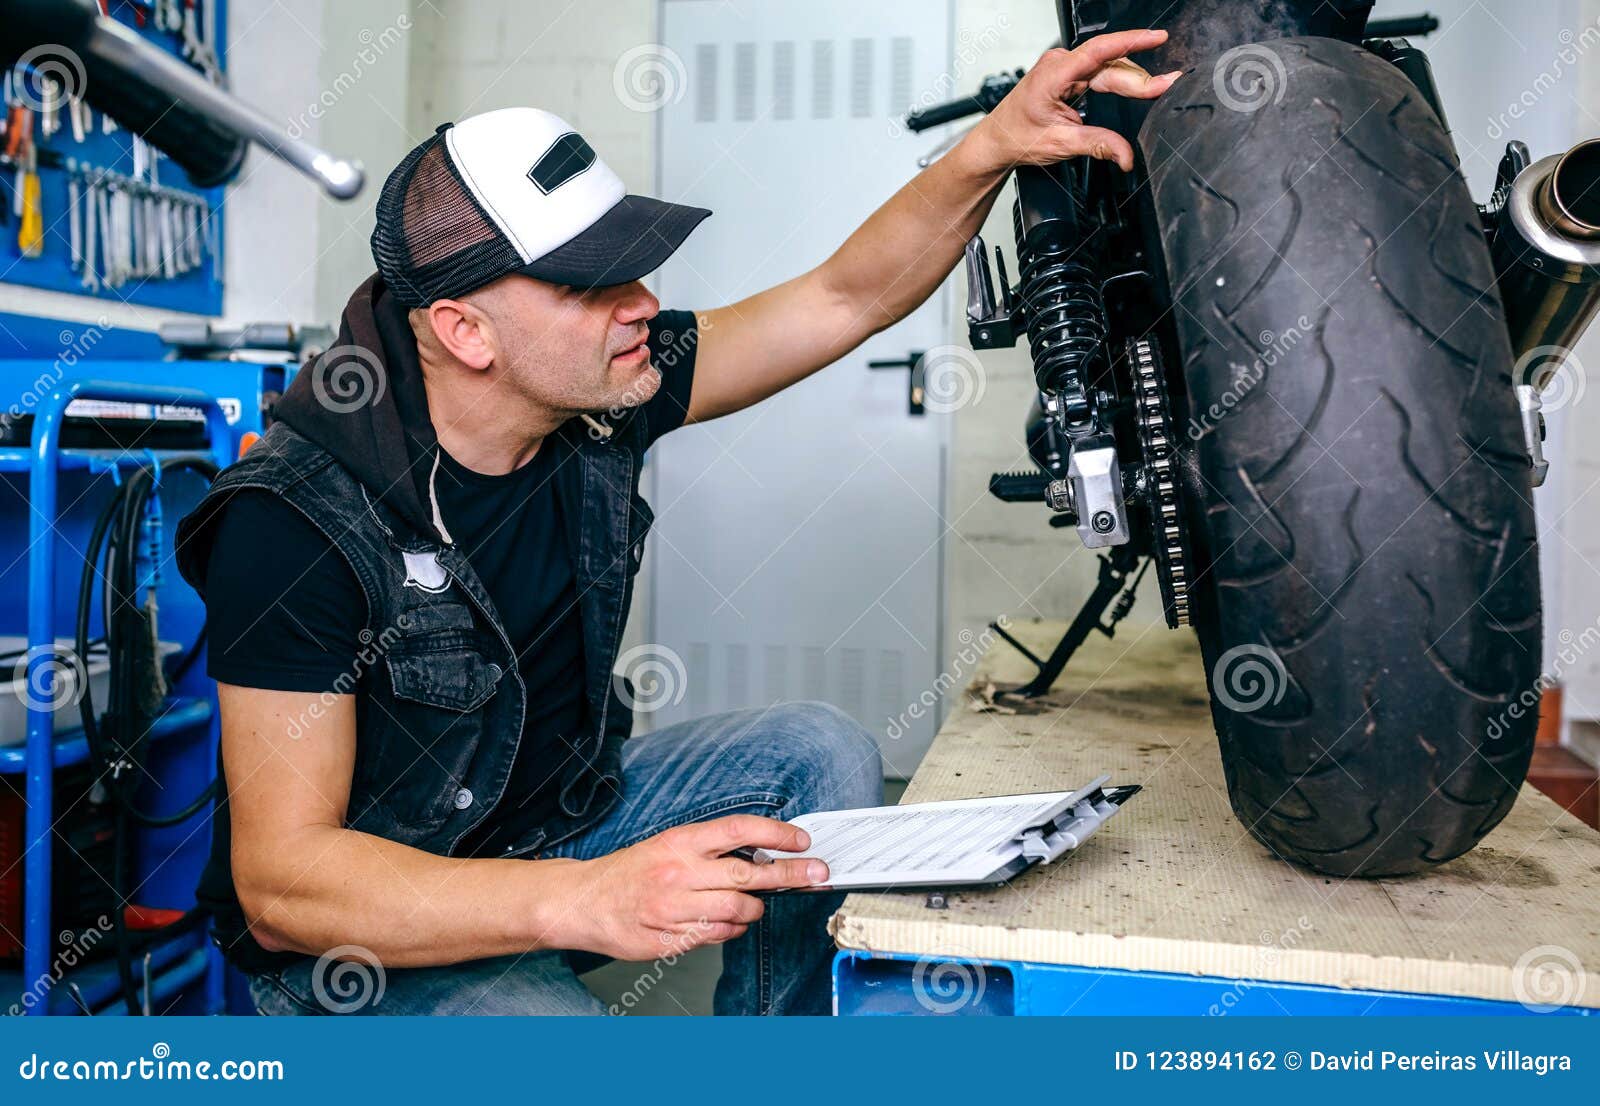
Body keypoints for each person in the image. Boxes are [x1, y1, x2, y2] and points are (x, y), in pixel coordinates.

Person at [174, 29, 1179, 1016]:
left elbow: (843, 298)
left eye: (634, 266)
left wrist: (989, 149)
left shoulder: (597, 392)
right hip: (369, 926)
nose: (644, 304)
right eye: (590, 284)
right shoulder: (293, 519)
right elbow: (283, 885)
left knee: (816, 752)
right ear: (465, 330)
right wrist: (584, 899)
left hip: (556, 828)